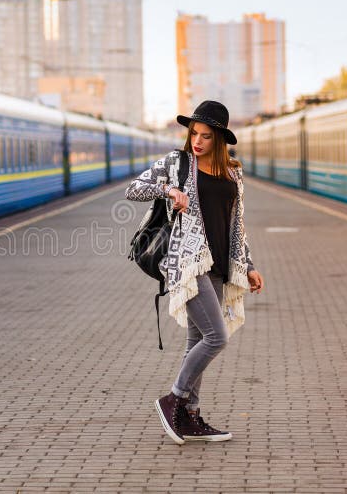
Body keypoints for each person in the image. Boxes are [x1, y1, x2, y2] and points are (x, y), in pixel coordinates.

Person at [125, 100, 264, 444]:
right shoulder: (178, 163)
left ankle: (190, 416)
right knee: (216, 337)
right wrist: (169, 189)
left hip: (218, 265)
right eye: (194, 134)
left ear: (220, 139)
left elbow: (237, 224)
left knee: (198, 340)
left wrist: (247, 265)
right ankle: (173, 399)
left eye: (206, 136)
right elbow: (134, 188)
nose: (197, 141)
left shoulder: (233, 172)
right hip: (188, 264)